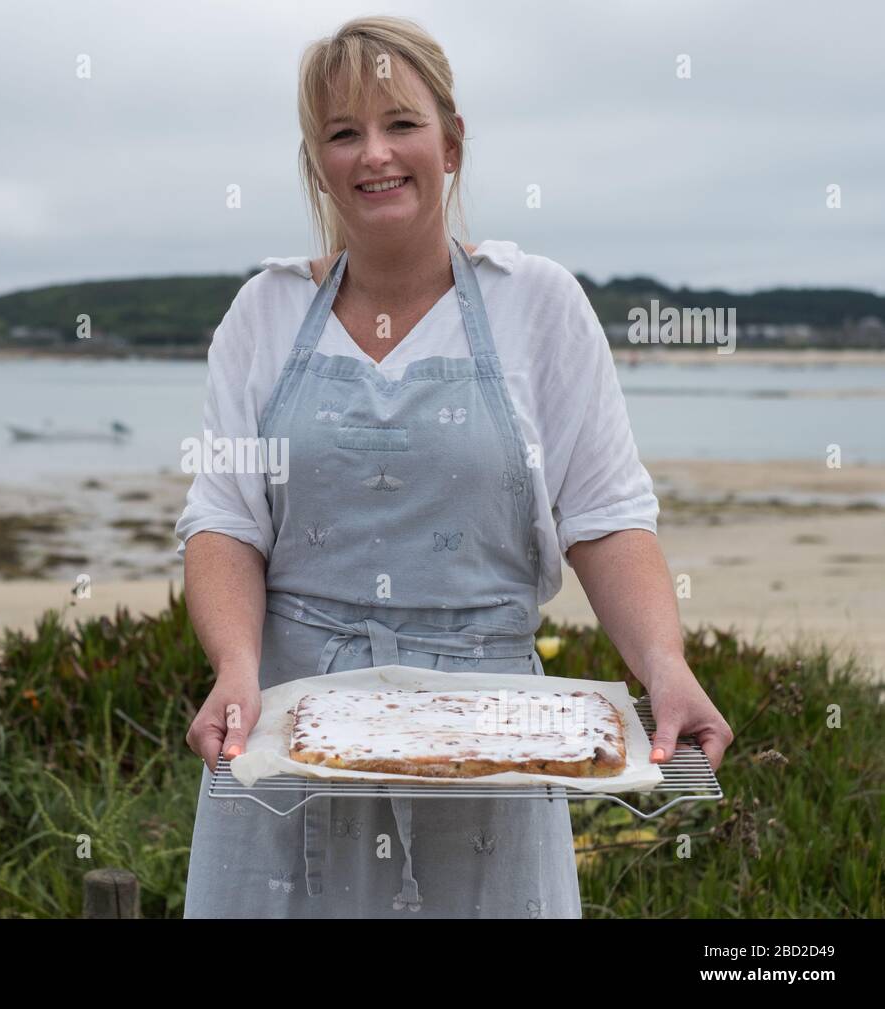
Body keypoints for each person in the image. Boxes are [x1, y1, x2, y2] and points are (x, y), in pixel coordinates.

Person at [173, 15, 733, 919]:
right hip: (289, 733)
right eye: (343, 133)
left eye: (401, 123)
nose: (375, 154)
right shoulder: (264, 314)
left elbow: (604, 514)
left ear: (453, 142)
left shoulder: (538, 305)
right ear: (318, 163)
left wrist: (665, 668)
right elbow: (226, 521)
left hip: (499, 740)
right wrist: (236, 669)